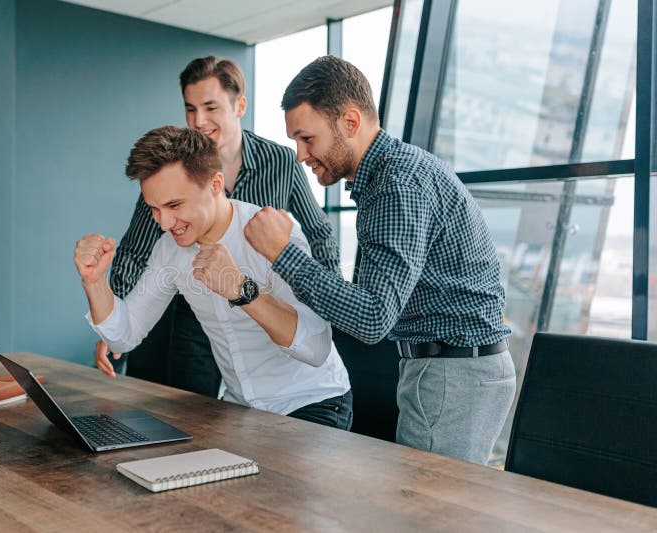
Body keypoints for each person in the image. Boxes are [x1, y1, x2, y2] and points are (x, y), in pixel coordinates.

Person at [244, 56, 515, 465]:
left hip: (453, 375)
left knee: (427, 518)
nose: (300, 155)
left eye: (307, 138)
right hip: (451, 369)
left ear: (350, 122)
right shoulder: (392, 177)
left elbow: (372, 318)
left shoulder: (395, 186)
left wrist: (284, 254)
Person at [76, 125, 352, 429]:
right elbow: (124, 336)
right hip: (241, 408)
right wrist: (95, 282)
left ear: (215, 184)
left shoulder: (271, 233)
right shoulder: (170, 250)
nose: (164, 222)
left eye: (174, 205)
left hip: (312, 402)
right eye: (154, 209)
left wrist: (240, 290)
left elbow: (315, 348)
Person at [97, 56, 339, 397]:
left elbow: (319, 234)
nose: (199, 120)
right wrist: (114, 320)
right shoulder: (167, 177)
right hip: (197, 313)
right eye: (190, 109)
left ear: (239, 105)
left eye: (210, 108)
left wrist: (329, 302)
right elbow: (135, 251)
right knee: (196, 414)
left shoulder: (280, 161)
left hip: (268, 318)